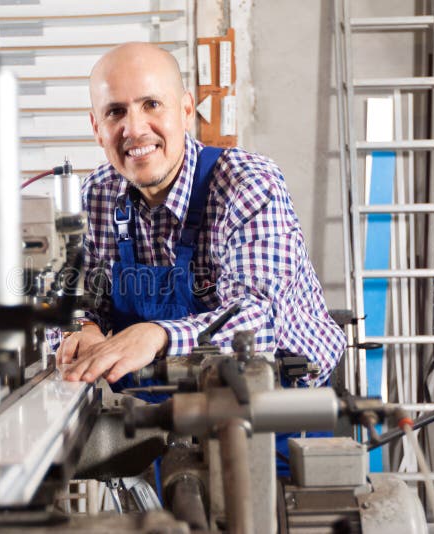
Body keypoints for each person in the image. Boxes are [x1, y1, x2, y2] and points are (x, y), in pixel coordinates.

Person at [56, 42, 345, 390]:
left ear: (186, 110)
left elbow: (258, 318)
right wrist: (83, 328)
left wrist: (157, 335)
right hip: (157, 404)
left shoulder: (247, 185)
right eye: (115, 112)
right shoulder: (97, 195)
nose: (134, 129)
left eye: (151, 104)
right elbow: (73, 300)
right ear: (96, 127)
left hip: (278, 400)